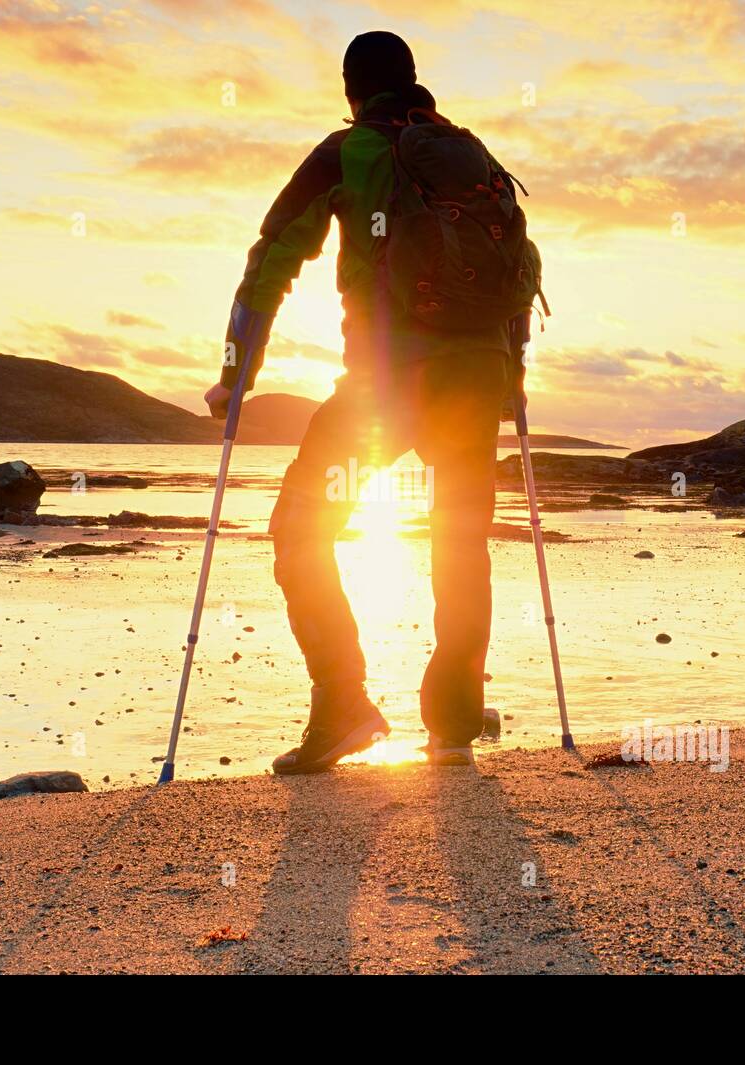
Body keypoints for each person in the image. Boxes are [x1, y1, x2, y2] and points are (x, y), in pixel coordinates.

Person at [205, 30, 534, 773]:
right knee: (460, 540)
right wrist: (511, 380)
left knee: (301, 527)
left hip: (386, 385)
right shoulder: (472, 156)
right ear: (414, 82)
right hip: (475, 382)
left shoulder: (344, 152)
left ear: (351, 92)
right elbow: (515, 272)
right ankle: (453, 725)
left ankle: (344, 704)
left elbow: (273, 255)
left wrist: (237, 372)